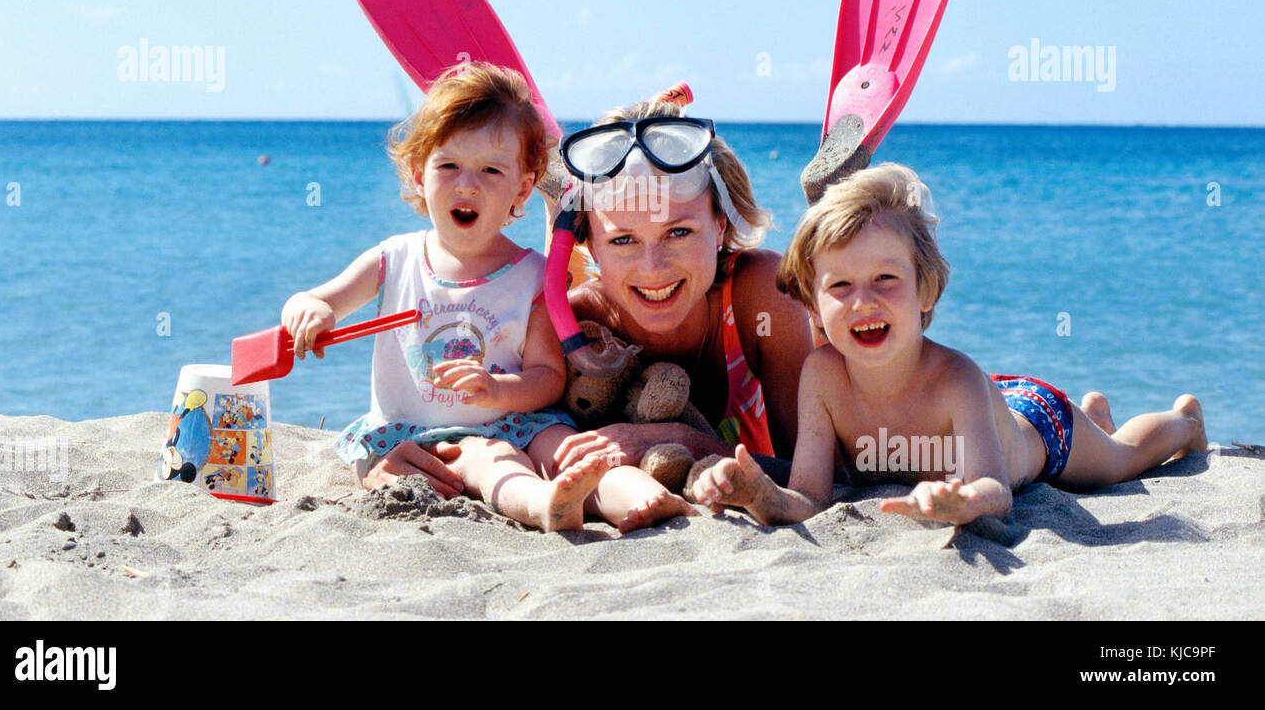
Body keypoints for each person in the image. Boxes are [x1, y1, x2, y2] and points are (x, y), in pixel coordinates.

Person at [280, 63, 692, 532]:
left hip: (513, 417)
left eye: (491, 170)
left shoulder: (532, 275)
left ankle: (639, 495)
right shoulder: (392, 259)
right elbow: (316, 299)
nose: (468, 184)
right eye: (449, 165)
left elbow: (547, 378)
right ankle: (545, 506)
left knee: (566, 448)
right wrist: (310, 310)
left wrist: (498, 390)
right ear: (419, 174)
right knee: (491, 460)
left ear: (521, 187)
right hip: (408, 433)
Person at [689, 163, 1209, 526]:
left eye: (886, 279)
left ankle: (1185, 422)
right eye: (840, 286)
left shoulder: (956, 378)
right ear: (812, 303)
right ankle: (1097, 415)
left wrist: (963, 503)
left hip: (1038, 426)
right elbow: (809, 495)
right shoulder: (822, 376)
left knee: (1119, 461)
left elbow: (996, 489)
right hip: (992, 401)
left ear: (927, 289)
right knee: (1102, 440)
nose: (863, 302)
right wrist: (760, 495)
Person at [553, 100, 817, 478]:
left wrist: (687, 442)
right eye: (623, 240)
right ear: (590, 245)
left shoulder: (759, 298)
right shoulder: (576, 328)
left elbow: (817, 477)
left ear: (720, 226)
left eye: (679, 232)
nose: (653, 269)